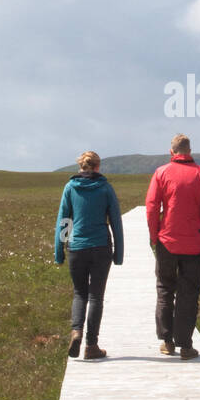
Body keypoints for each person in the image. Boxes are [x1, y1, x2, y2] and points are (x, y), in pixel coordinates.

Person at [146, 134, 200, 360]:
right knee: (189, 294)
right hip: (195, 244)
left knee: (165, 289)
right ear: (189, 151)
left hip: (167, 241)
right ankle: (186, 346)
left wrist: (154, 236)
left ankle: (167, 342)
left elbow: (151, 207)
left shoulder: (161, 173)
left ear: (172, 152)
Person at [54, 150, 124, 360]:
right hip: (101, 247)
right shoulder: (105, 188)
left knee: (79, 293)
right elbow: (116, 222)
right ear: (97, 167)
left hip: (76, 247)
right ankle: (91, 345)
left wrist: (59, 250)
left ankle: (76, 332)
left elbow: (64, 220)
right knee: (96, 296)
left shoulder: (70, 187)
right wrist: (119, 253)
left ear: (81, 166)